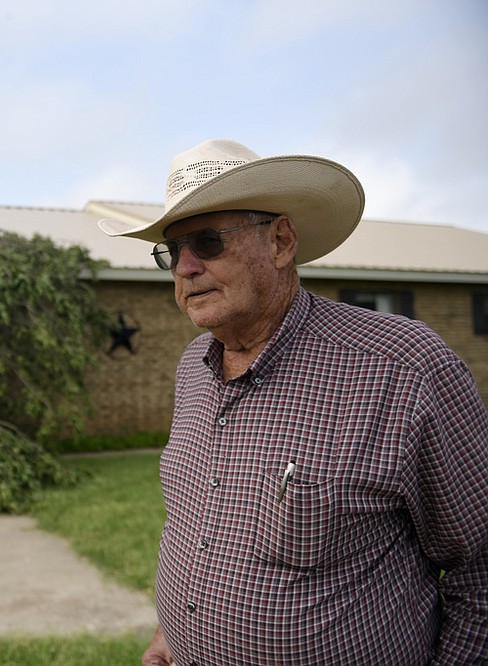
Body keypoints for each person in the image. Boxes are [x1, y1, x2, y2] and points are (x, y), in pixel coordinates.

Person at [98, 139, 488, 665]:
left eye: (208, 242)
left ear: (281, 242)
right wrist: (173, 631)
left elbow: (479, 570)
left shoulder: (402, 367)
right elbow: (198, 524)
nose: (185, 267)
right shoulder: (194, 366)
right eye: (172, 251)